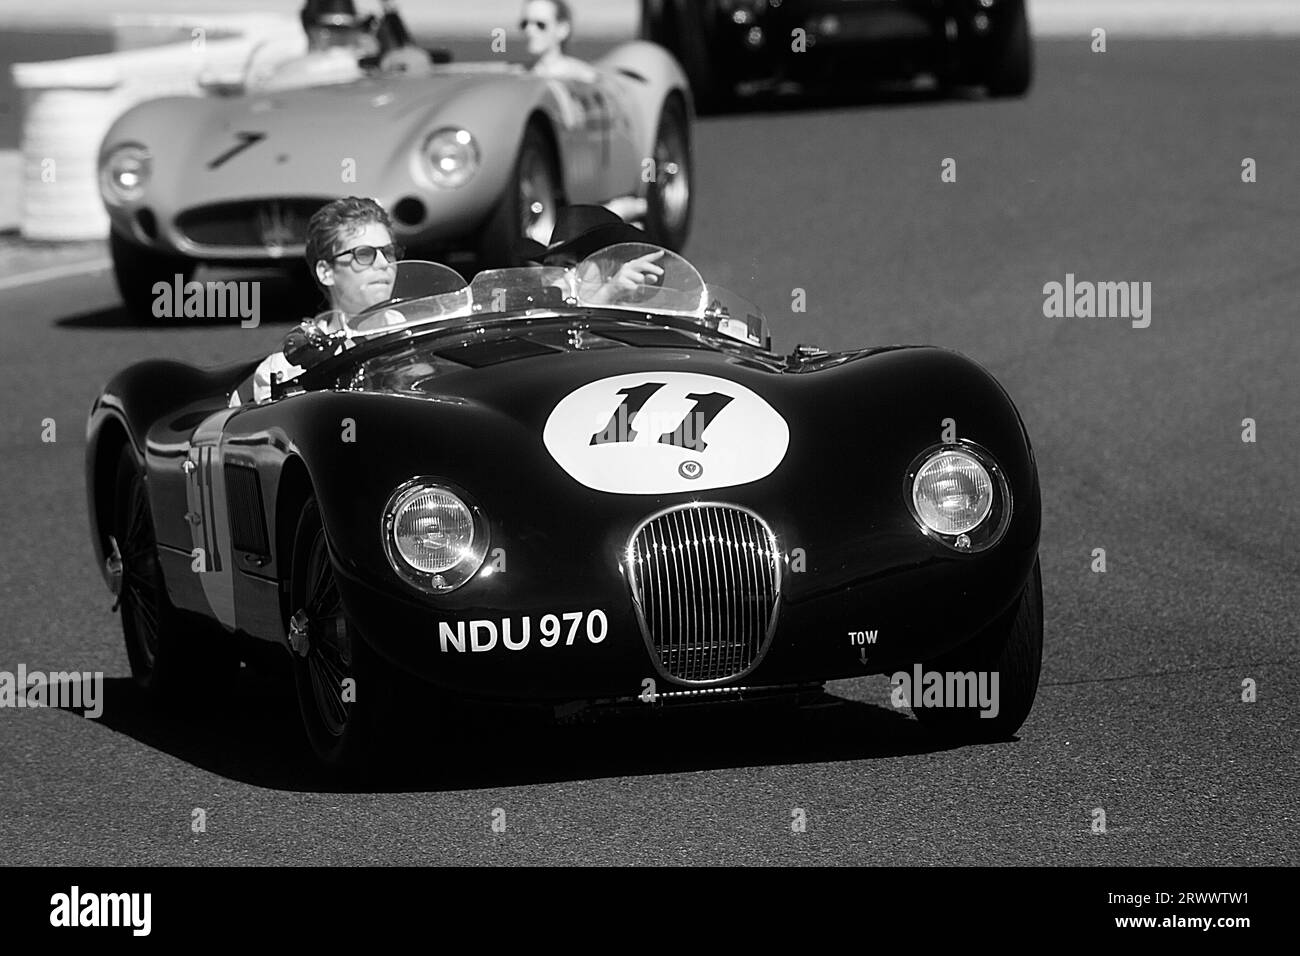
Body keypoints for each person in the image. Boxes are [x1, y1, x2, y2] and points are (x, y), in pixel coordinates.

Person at [246, 197, 400, 403]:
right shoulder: (283, 371)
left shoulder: (428, 330)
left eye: (388, 252)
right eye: (364, 254)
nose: (384, 264)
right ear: (326, 272)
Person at [517, 204, 666, 305]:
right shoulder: (534, 321)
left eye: (567, 265)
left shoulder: (628, 329)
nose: (555, 276)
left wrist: (609, 294)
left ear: (609, 275)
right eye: (549, 267)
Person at [520, 0, 597, 81]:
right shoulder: (519, 73)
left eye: (540, 25)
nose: (529, 30)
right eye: (524, 24)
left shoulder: (584, 77)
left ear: (562, 29)